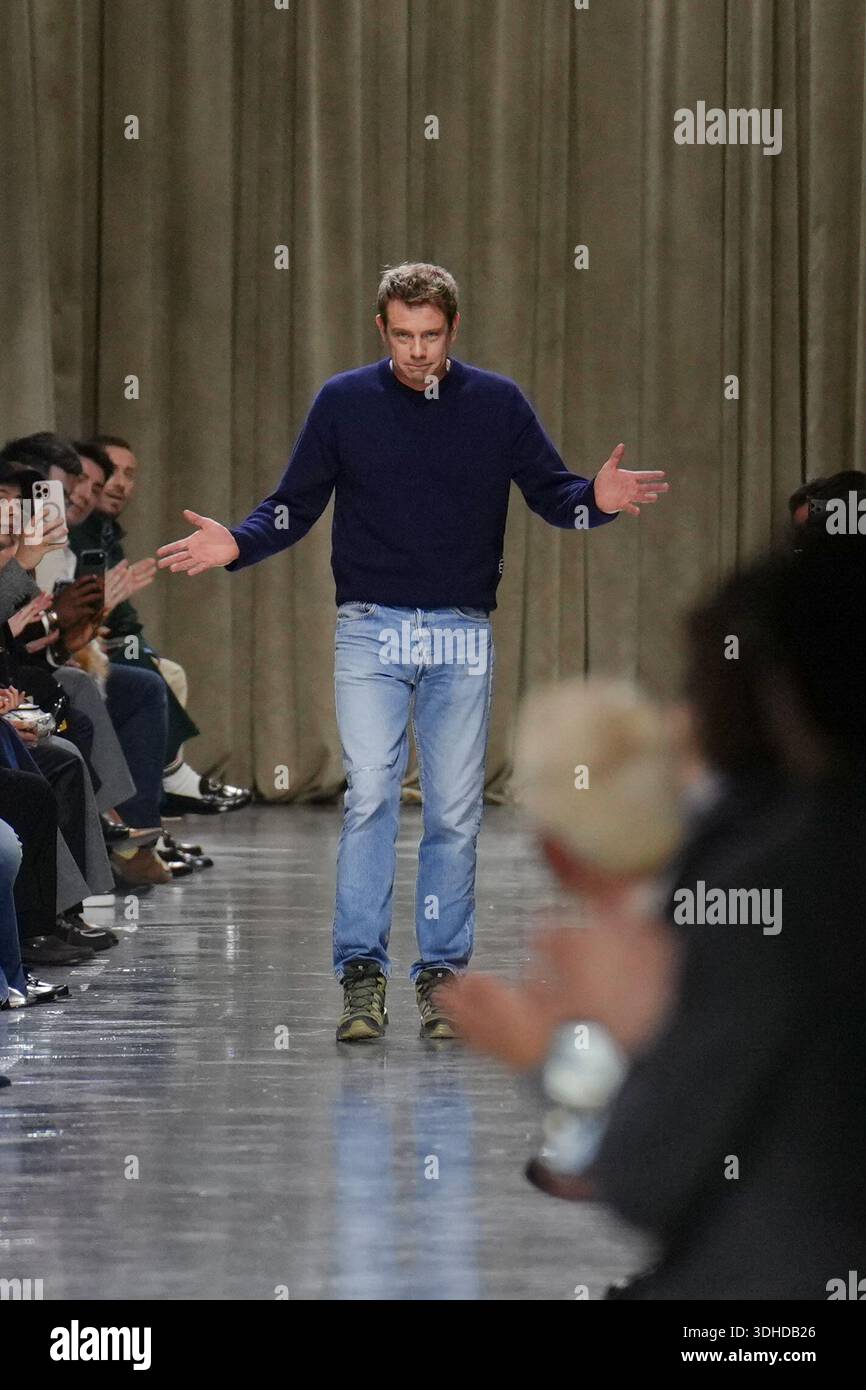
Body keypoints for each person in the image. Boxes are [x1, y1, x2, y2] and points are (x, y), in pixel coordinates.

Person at [157, 261, 670, 1042]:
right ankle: (362, 974)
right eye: (403, 335)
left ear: (453, 329)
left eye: (431, 335)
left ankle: (441, 977)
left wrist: (594, 504)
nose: (418, 351)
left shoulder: (497, 403)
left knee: (455, 810)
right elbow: (293, 505)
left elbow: (554, 495)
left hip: (461, 630)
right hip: (371, 627)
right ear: (381, 329)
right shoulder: (344, 402)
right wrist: (238, 543)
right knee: (369, 795)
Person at [73, 435, 251, 814]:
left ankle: (152, 817)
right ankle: (166, 783)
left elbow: (120, 617)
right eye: (110, 473)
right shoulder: (67, 532)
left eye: (129, 474)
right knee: (148, 677)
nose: (118, 484)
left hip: (98, 642)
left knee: (163, 670)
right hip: (72, 652)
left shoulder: (104, 532)